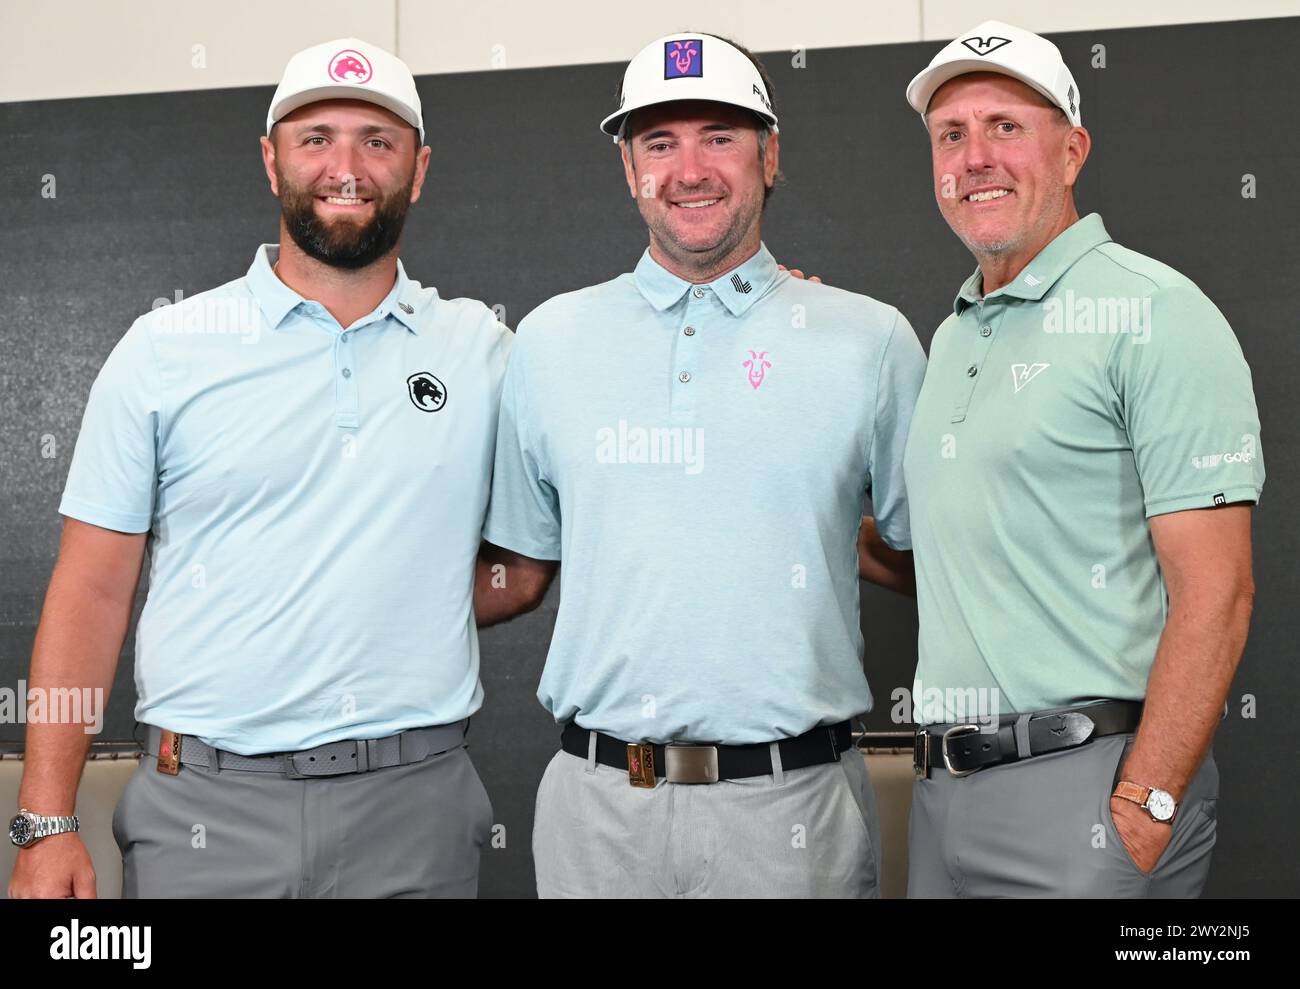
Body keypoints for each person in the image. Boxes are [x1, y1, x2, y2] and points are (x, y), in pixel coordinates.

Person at [9, 38, 511, 898]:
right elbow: (90, 590)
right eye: (315, 137)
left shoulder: (487, 352)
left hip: (414, 808)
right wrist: (46, 821)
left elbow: (536, 550)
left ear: (418, 169)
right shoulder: (163, 349)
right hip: (204, 812)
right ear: (271, 159)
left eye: (376, 140)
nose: (344, 165)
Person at [479, 32, 925, 898]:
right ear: (628, 167)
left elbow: (936, 556)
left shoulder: (867, 338)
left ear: (770, 154)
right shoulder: (547, 340)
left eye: (719, 135)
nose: (691, 169)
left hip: (792, 808)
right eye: (660, 142)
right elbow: (520, 565)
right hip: (598, 812)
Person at [900, 21, 1263, 896]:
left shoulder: (1157, 312)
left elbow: (1218, 593)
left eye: (1006, 127)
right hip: (938, 797)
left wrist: (1143, 807)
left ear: (1072, 150)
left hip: (1085, 792)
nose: (975, 156)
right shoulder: (951, 335)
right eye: (952, 135)